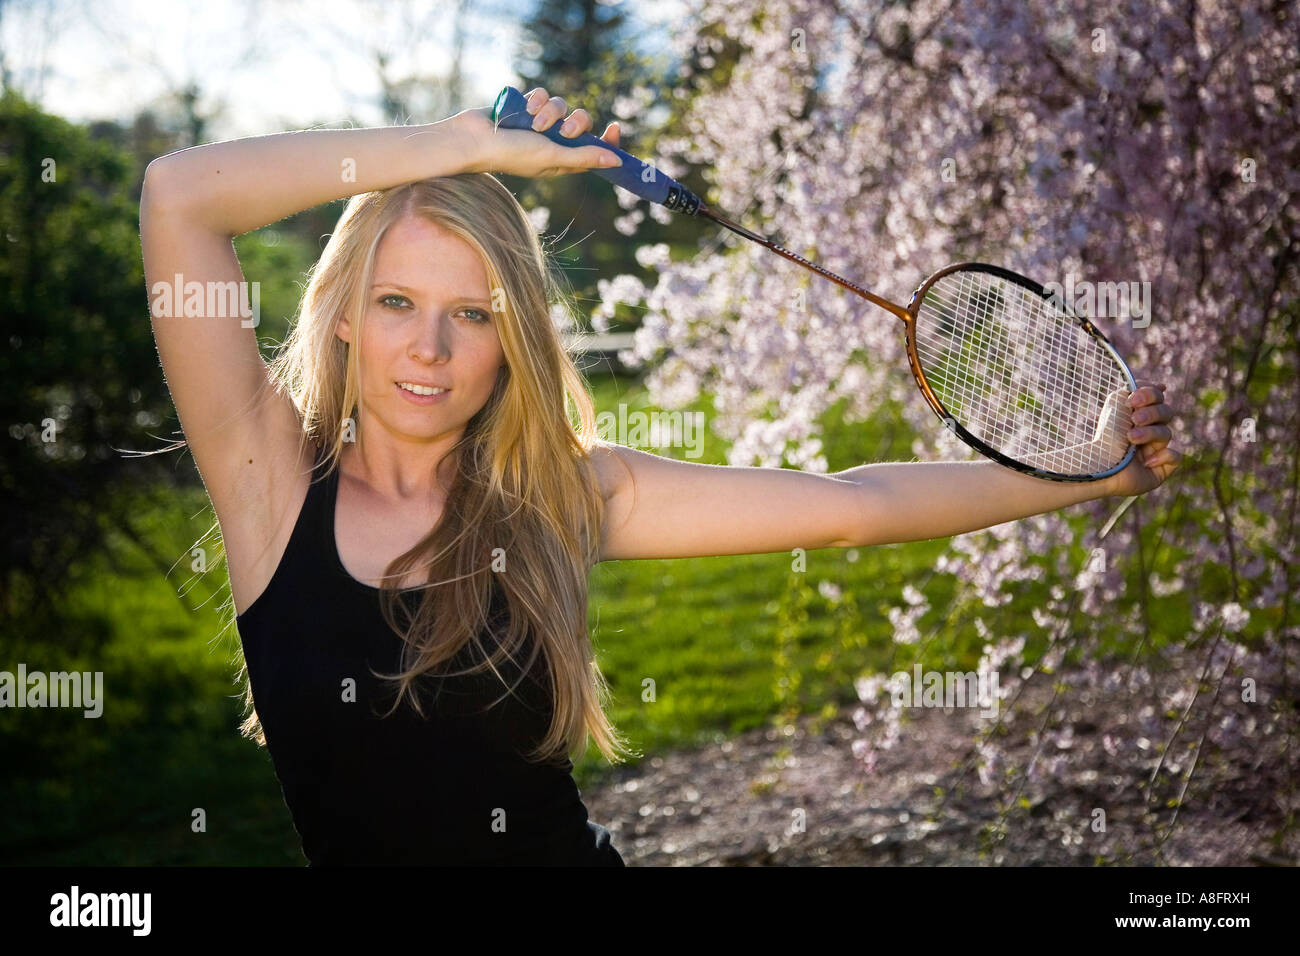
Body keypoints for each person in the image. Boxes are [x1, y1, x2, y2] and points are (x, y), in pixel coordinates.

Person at [138, 86, 1181, 866]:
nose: (430, 350)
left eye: (472, 314)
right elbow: (181, 196)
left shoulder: (559, 496)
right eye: (398, 301)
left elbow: (858, 507)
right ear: (344, 314)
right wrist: (459, 146)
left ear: (511, 342)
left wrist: (1089, 474)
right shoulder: (267, 486)